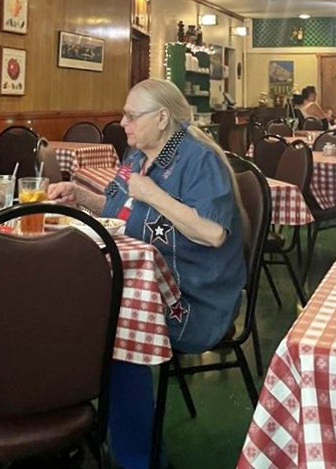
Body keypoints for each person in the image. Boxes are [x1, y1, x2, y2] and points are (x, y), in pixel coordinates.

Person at [48, 78, 246, 469]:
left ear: (162, 118)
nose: (123, 122)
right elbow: (120, 209)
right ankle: (69, 434)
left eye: (131, 115)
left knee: (115, 333)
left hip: (191, 294)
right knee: (64, 314)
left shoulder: (197, 159)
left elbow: (213, 232)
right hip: (143, 280)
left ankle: (140, 460)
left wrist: (153, 193)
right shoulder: (138, 156)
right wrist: (82, 196)